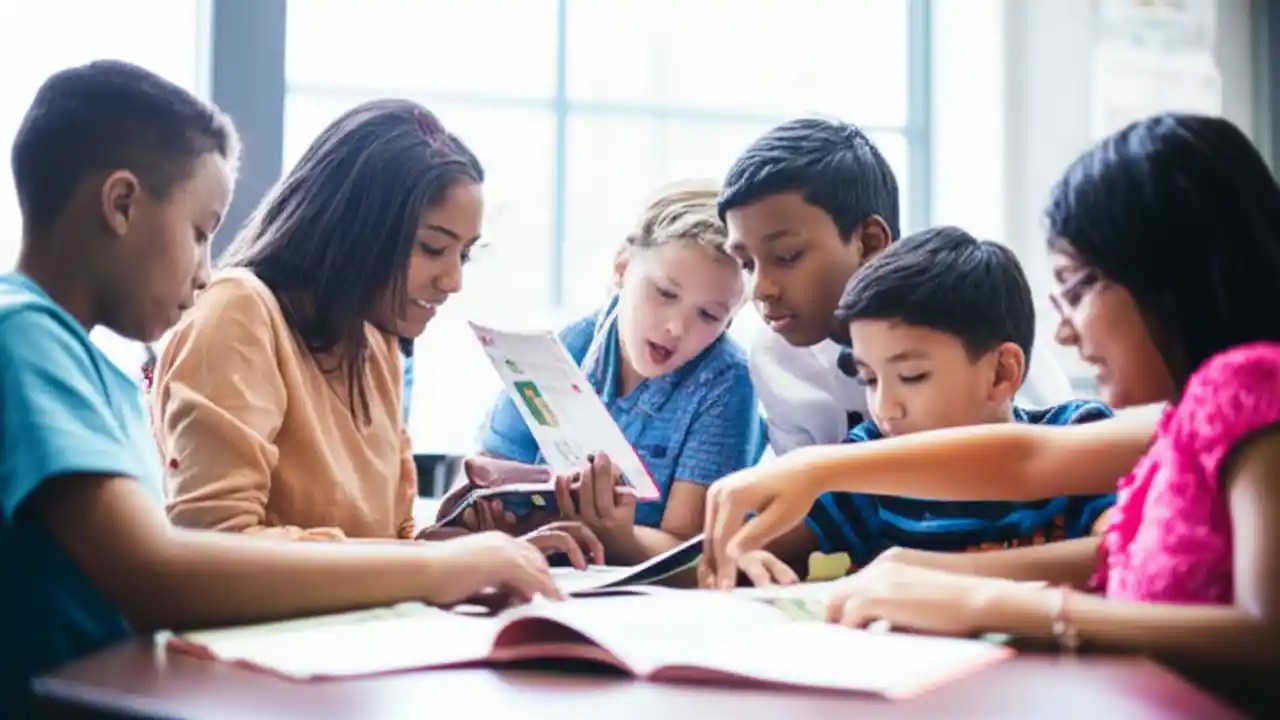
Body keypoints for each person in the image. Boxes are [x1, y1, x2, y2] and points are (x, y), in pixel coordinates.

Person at [0, 60, 564, 709]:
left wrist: (473, 550)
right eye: (199, 233)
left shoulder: (77, 361)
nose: (207, 270)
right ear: (122, 203)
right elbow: (157, 570)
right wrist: (442, 568)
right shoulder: (25, 339)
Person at [700, 114, 1280, 711]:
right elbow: (1032, 461)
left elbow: (1269, 639)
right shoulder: (1192, 416)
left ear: (1170, 278)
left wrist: (992, 602)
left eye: (1076, 289)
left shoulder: (1253, 390)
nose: (1062, 328)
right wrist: (829, 480)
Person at [152, 99, 596, 562]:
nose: (453, 281)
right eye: (432, 248)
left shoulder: (376, 340)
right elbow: (217, 546)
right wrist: (435, 564)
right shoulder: (239, 311)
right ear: (356, 224)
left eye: (463, 256)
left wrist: (481, 546)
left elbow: (386, 544)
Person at [728, 227, 1114, 586]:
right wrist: (739, 552)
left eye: (912, 376)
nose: (885, 409)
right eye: (869, 379)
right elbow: (749, 547)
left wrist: (937, 574)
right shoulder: (868, 461)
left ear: (1000, 372)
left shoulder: (1080, 434)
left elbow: (1124, 553)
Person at [718, 118, 1074, 456]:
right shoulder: (772, 356)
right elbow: (807, 494)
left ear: (870, 242)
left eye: (787, 255)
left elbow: (1055, 451)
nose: (761, 289)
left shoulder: (966, 311)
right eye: (747, 264)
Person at [471, 180, 765, 563]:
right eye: (664, 293)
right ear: (623, 267)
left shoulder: (726, 383)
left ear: (730, 319)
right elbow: (484, 472)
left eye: (709, 315)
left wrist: (616, 535)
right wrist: (495, 520)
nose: (675, 327)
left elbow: (690, 550)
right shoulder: (563, 349)